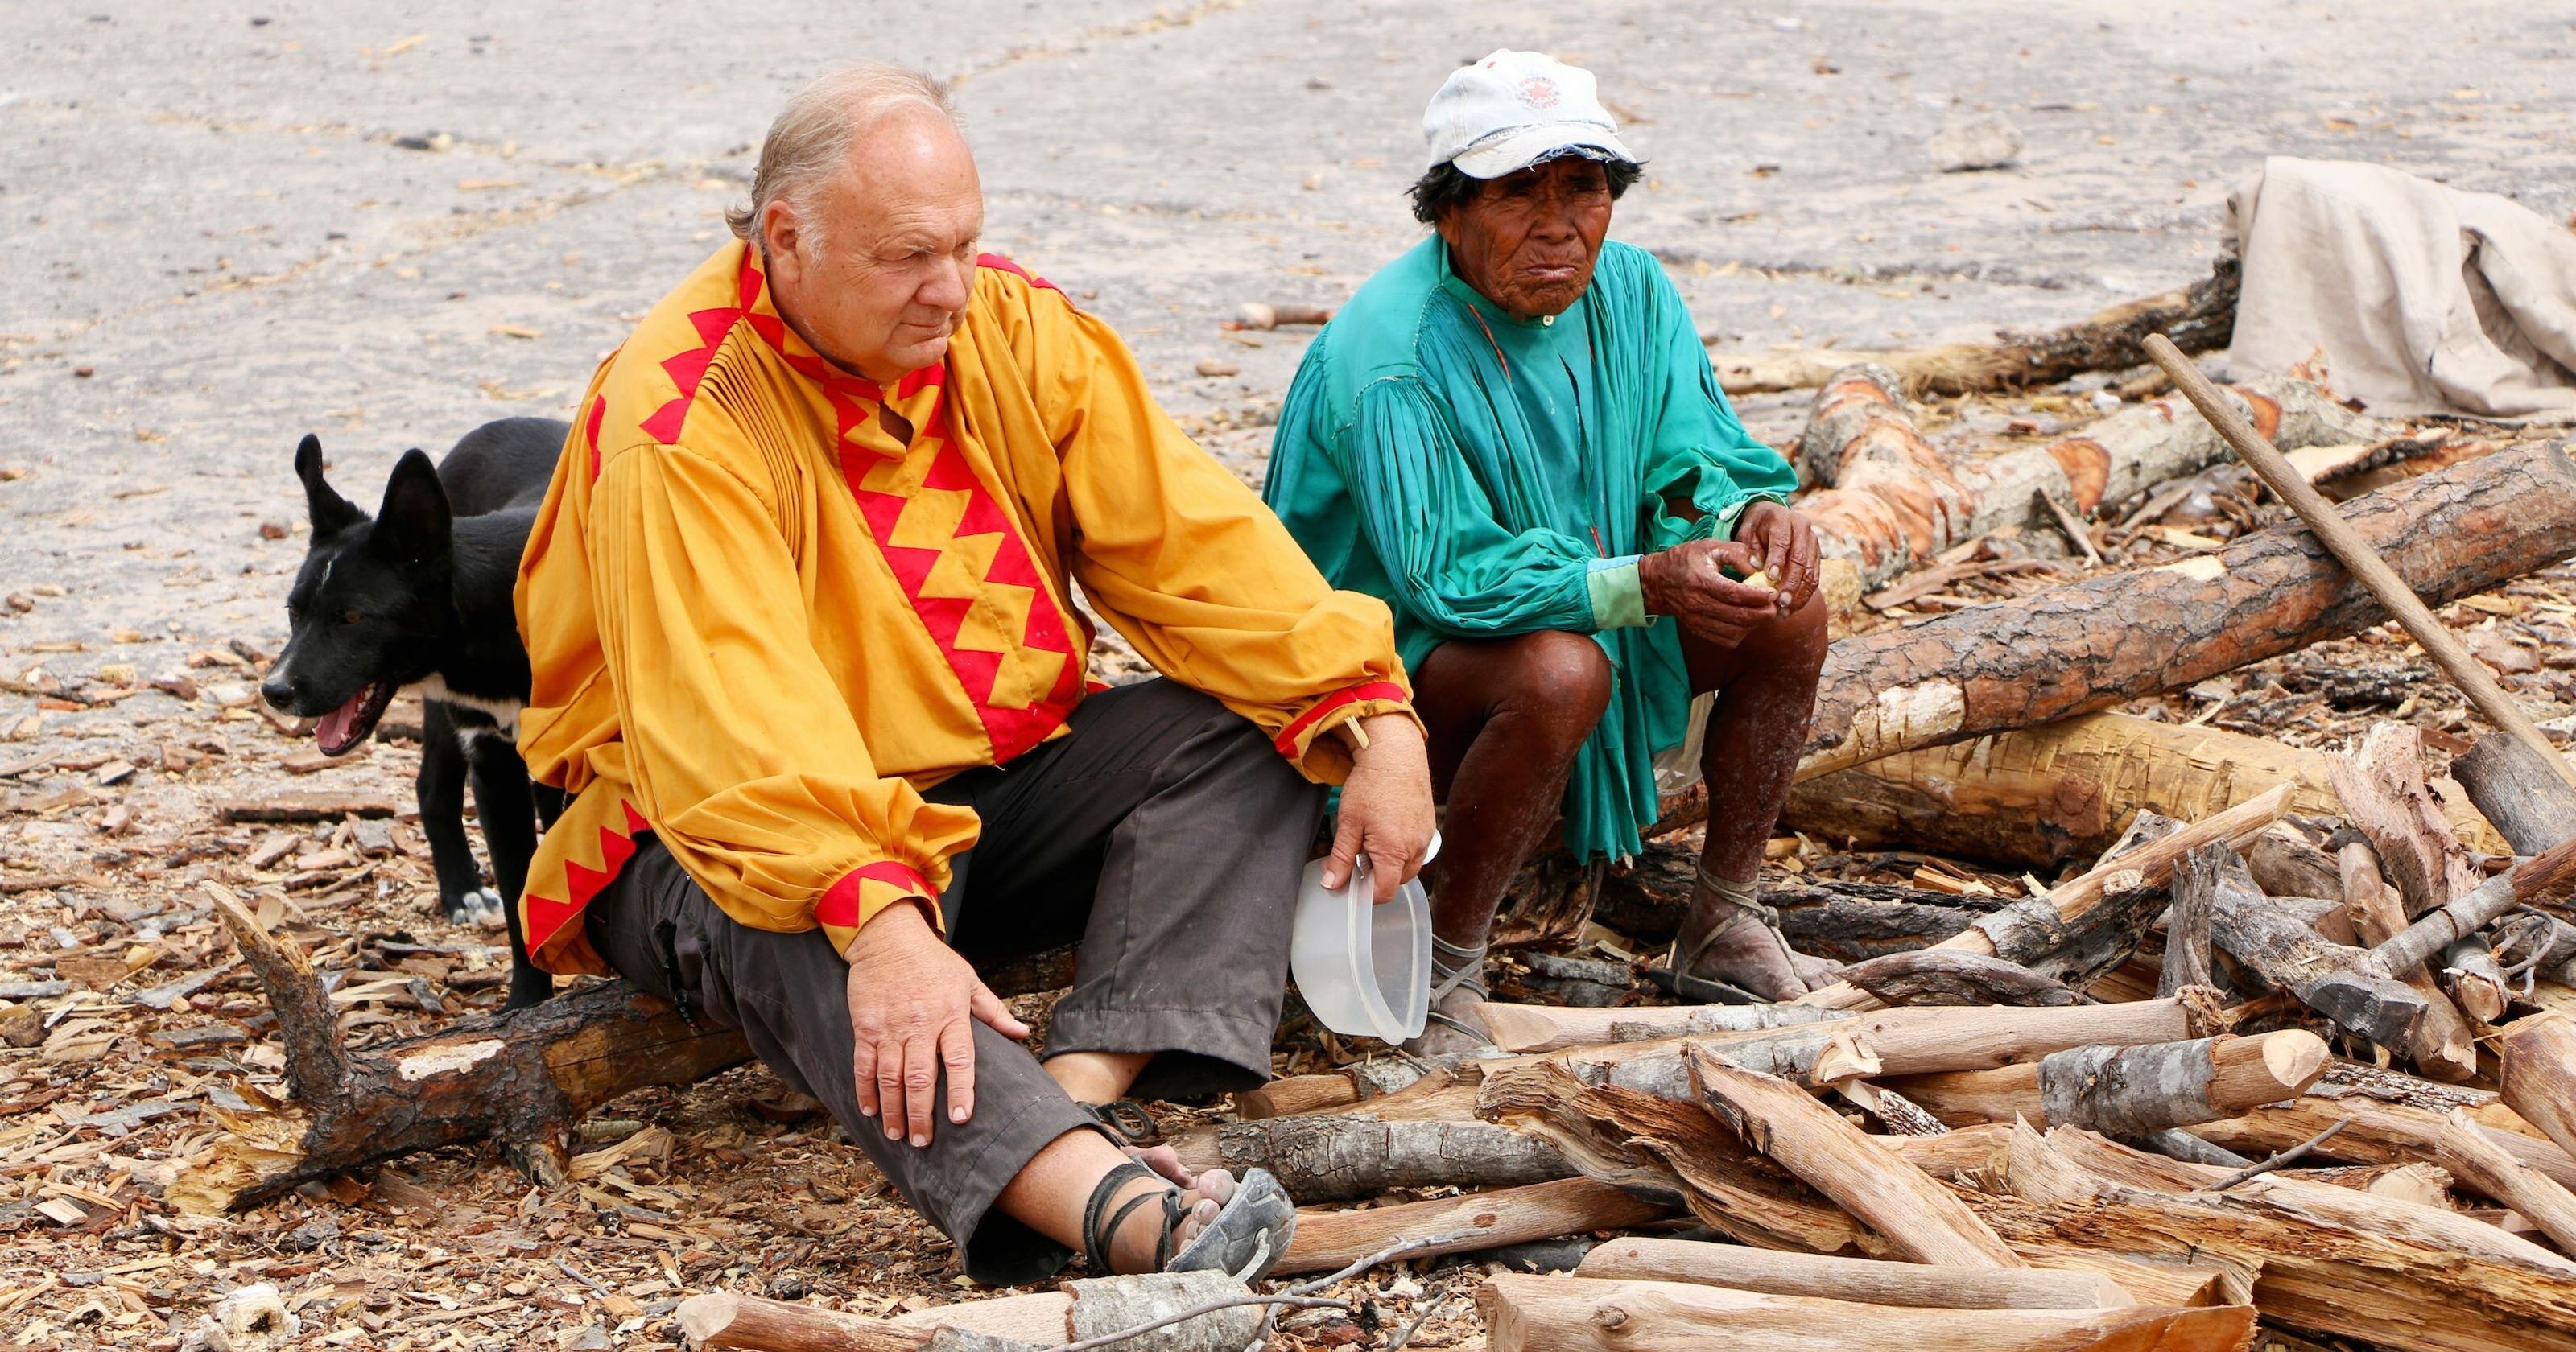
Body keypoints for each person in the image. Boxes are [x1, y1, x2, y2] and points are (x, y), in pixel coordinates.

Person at [511, 64, 1436, 1285]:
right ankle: (1112, 1209)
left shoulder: (1007, 327)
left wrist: (1376, 716)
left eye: (963, 245)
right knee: (802, 916)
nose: (949, 288)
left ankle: (1082, 1079)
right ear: (786, 239)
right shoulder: (683, 422)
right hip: (711, 831)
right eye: (906, 257)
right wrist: (880, 919)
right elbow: (742, 745)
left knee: (1238, 727)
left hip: (977, 796)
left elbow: (1194, 547)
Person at [1265, 52, 1831, 1056]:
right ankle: (1442, 969)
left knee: (1784, 600)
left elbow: (1689, 444)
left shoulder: (1629, 290)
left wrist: (1749, 508)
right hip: (1373, 679)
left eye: (1582, 189)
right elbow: (1449, 579)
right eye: (1517, 190)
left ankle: (1724, 918)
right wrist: (1645, 583)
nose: (1558, 222)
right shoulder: (1393, 356)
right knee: (1561, 671)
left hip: (1567, 602)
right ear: (1448, 209)